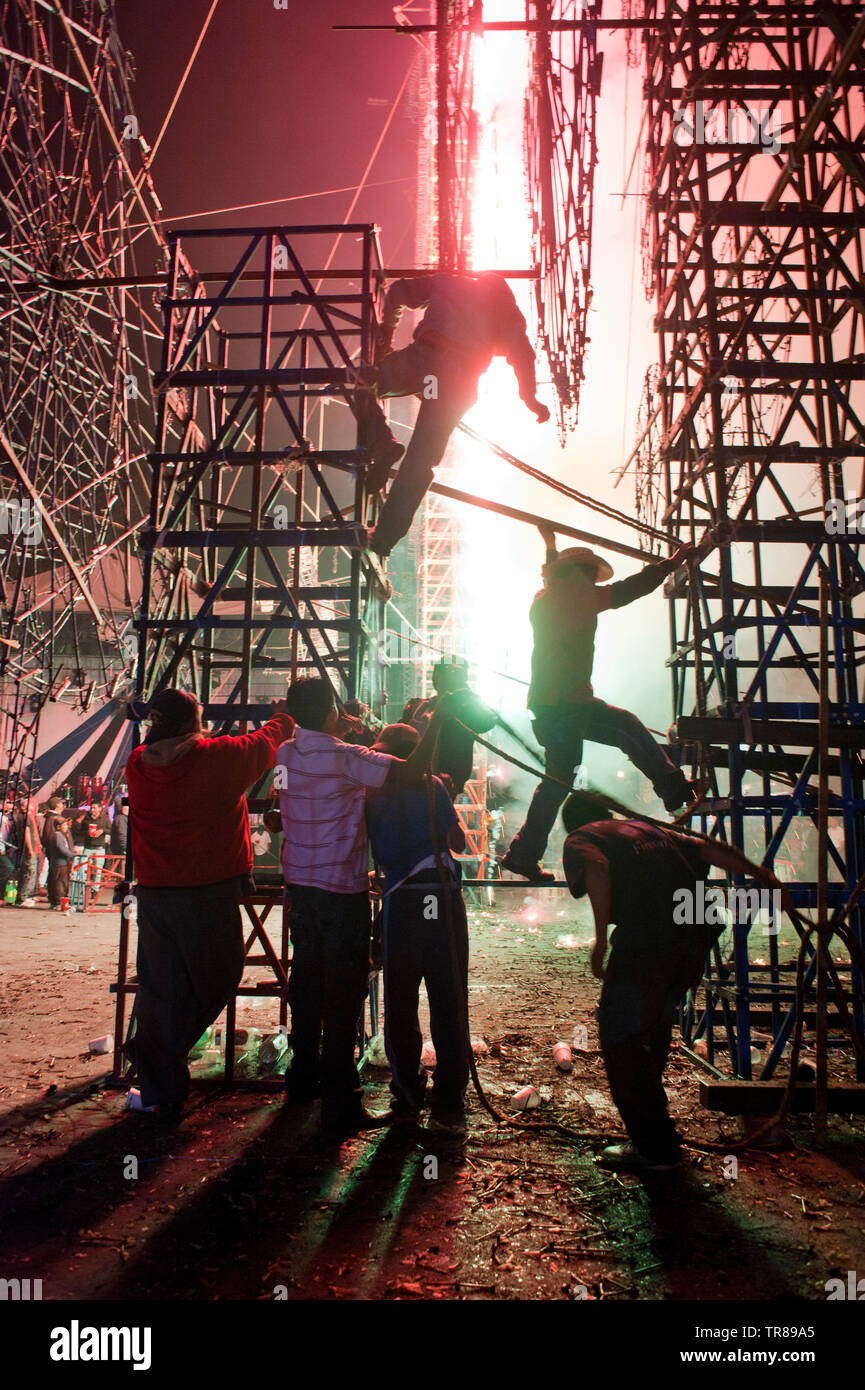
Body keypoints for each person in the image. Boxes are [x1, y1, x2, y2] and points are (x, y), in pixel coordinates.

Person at [560, 790, 791, 1172]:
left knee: (621, 1034)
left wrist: (600, 940)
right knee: (651, 1026)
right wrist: (761, 874)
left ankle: (655, 1148)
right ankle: (654, 1132)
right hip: (696, 932)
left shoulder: (582, 837)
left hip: (650, 941)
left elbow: (598, 869)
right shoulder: (649, 828)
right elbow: (707, 848)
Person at [275, 676, 458, 1140]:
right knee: (343, 994)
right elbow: (411, 771)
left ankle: (301, 1081)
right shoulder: (346, 757)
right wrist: (437, 722)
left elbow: (287, 800)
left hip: (301, 887)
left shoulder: (285, 755)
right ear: (331, 712)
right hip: (341, 890)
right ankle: (340, 1101)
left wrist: (338, 730)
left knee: (308, 983)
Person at [124, 688, 295, 1122]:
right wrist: (282, 714)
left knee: (162, 985)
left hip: (155, 890)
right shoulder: (218, 758)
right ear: (193, 722)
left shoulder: (138, 765)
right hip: (206, 889)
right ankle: (156, 1055)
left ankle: (160, 1082)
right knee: (219, 977)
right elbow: (271, 740)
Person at [501, 526, 701, 883]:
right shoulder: (576, 597)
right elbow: (631, 589)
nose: (595, 580)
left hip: (560, 706)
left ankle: (524, 854)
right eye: (589, 573)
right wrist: (671, 563)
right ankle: (675, 793)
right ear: (576, 575)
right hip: (565, 706)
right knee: (599, 748)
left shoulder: (548, 599)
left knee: (571, 769)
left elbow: (561, 578)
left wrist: (550, 547)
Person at [356, 272, 550, 557]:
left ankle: (382, 442)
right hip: (457, 383)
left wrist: (387, 331)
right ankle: (384, 538)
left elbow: (398, 292)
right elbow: (522, 354)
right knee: (421, 460)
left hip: (426, 361)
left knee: (362, 384)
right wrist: (530, 399)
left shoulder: (449, 282)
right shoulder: (507, 310)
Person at [365, 723, 470, 1135]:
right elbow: (457, 842)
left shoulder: (370, 792)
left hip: (404, 901)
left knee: (401, 1002)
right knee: (449, 1000)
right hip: (441, 898)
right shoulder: (435, 787)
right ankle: (449, 1105)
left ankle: (407, 1099)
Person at [402, 656, 497, 798]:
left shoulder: (465, 710)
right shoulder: (416, 706)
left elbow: (487, 720)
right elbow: (399, 738)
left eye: (456, 672)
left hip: (445, 782)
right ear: (436, 676)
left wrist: (465, 692)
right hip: (410, 778)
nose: (450, 676)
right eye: (445, 670)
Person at [13, 796, 40, 907]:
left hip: (31, 848)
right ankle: (24, 897)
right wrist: (30, 849)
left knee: (28, 872)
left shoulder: (24, 816)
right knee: (29, 872)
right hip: (29, 849)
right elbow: (27, 833)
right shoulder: (25, 817)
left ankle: (24, 896)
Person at [45, 815, 75, 909]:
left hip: (62, 863)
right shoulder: (57, 836)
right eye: (64, 825)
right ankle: (58, 902)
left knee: (61, 881)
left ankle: (59, 901)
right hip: (59, 863)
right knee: (59, 882)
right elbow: (61, 849)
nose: (66, 827)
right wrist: (73, 854)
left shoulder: (60, 835)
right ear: (58, 827)